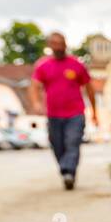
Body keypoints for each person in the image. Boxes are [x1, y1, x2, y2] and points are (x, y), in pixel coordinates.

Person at [30, 32, 98, 189]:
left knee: (72, 142)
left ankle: (69, 172)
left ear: (65, 45)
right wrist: (36, 102)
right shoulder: (43, 66)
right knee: (58, 145)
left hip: (75, 114)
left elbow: (90, 88)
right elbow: (34, 86)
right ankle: (65, 169)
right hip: (53, 115)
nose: (58, 47)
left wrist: (94, 112)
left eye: (60, 43)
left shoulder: (76, 64)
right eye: (54, 44)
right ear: (50, 46)